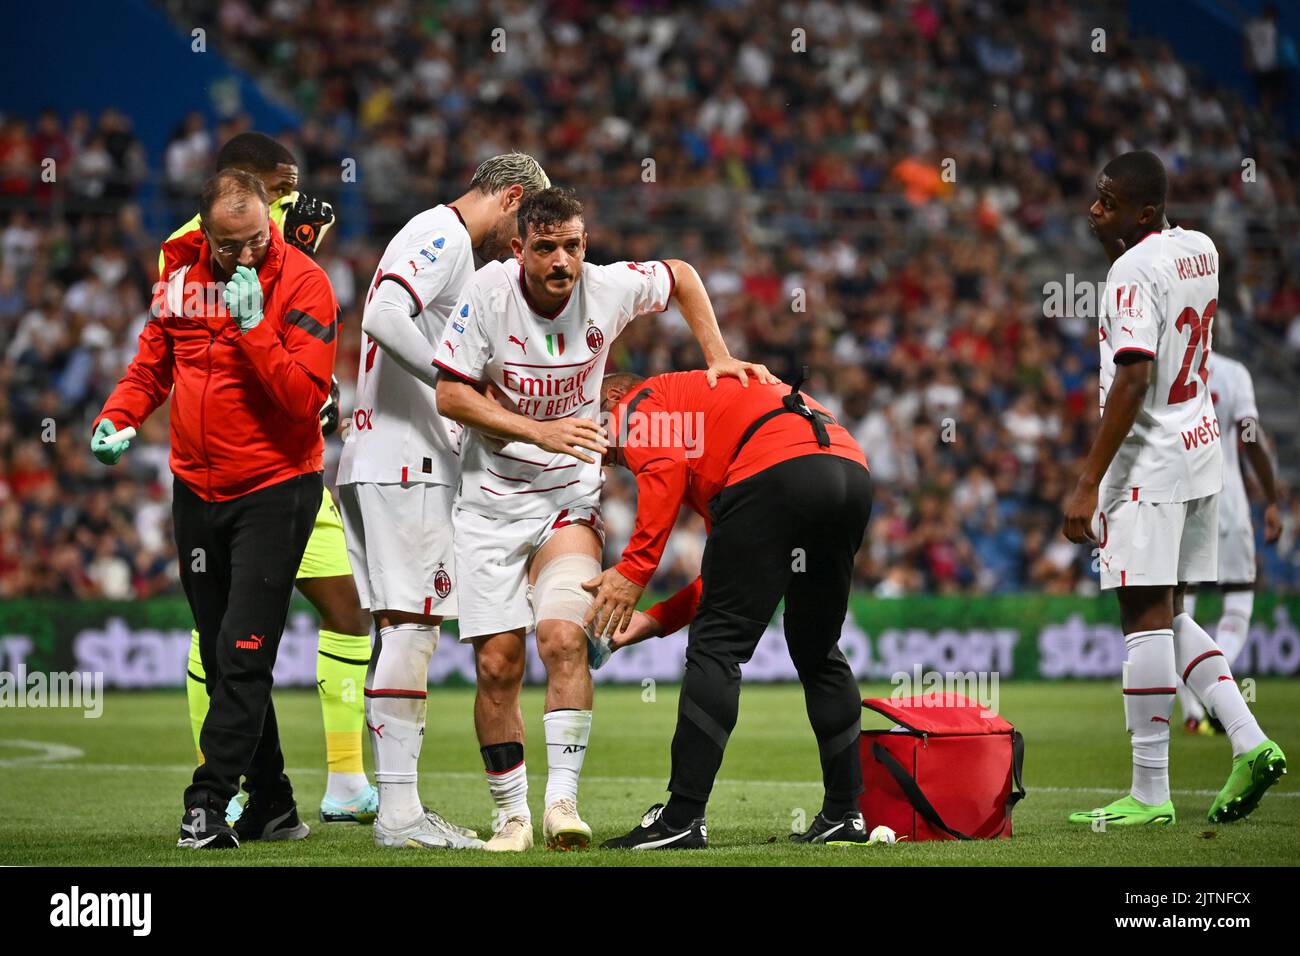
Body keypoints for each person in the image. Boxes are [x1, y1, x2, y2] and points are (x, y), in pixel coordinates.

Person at [433, 187, 775, 851]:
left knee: (563, 638)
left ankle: (562, 804)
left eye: (573, 246)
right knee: (498, 667)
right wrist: (541, 430)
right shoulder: (487, 294)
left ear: (585, 246)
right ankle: (511, 819)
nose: (562, 260)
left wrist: (717, 356)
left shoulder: (608, 287)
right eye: (546, 248)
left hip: (567, 502)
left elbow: (681, 275)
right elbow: (450, 394)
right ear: (517, 249)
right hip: (488, 506)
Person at [92, 168, 339, 849]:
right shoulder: (180, 279)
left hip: (276, 489)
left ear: (270, 220)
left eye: (259, 238)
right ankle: (274, 804)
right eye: (232, 246)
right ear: (206, 235)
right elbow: (151, 366)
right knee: (223, 647)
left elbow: (302, 403)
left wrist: (256, 325)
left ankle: (206, 804)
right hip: (194, 491)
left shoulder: (306, 285)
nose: (249, 254)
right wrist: (119, 416)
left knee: (244, 647)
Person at [1061, 150, 1286, 828]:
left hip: (1148, 461)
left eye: (1107, 202)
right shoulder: (1200, 249)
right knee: (1171, 610)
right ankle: (1249, 741)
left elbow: (1132, 375)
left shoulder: (1131, 271)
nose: (1094, 212)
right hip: (1199, 453)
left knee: (1141, 615)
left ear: (1144, 213)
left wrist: (1086, 480)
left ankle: (1150, 790)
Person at [336, 151, 550, 850]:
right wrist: (454, 383)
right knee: (412, 628)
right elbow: (383, 315)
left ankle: (399, 807)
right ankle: (398, 816)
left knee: (403, 626)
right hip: (405, 463)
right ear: (512, 197)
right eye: (526, 230)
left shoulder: (444, 241)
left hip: (390, 458)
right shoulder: (441, 234)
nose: (520, 249)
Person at [161, 131, 375, 827]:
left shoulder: (289, 238)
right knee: (223, 639)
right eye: (280, 186)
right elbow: (196, 344)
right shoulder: (183, 251)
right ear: (240, 182)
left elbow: (299, 336)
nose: (291, 195)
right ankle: (253, 795)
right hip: (230, 470)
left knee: (345, 610)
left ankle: (343, 781)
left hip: (291, 467)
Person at [588, 370, 873, 849]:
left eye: (595, 418)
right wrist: (655, 621)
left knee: (716, 650)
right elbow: (724, 577)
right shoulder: (712, 424)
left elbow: (662, 464)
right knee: (817, 649)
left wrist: (633, 572)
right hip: (846, 469)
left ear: (613, 394)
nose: (607, 451)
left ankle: (681, 819)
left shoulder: (639, 401)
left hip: (776, 470)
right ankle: (846, 814)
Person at [1178, 351, 1285, 733]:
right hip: (1229, 500)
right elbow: (1250, 435)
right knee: (1238, 598)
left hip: (1179, 499)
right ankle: (1218, 695)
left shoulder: (1169, 363)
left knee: (1176, 608)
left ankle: (1194, 711)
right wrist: (1272, 499)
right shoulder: (1233, 372)